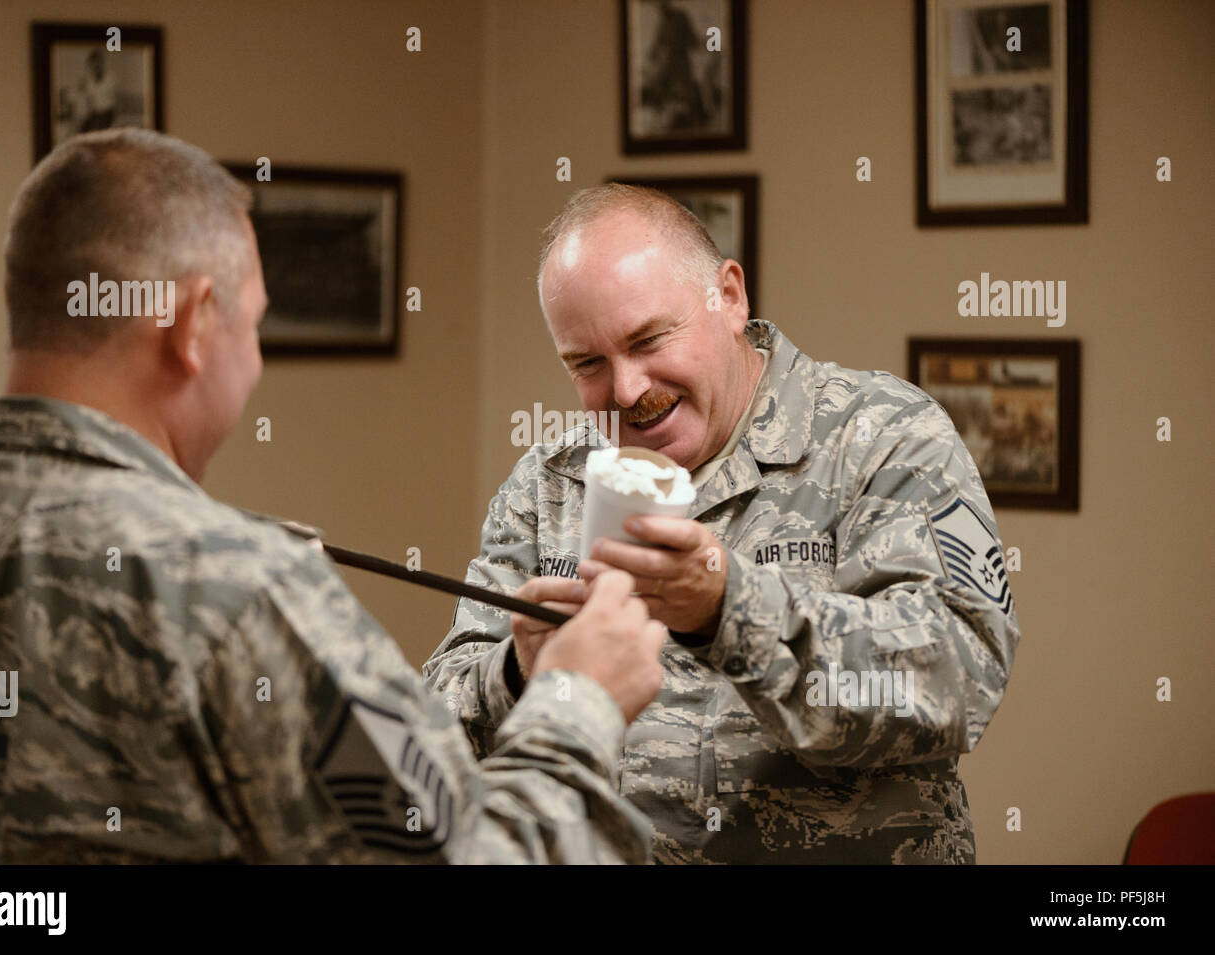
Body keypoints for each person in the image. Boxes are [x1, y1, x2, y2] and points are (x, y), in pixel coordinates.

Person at [0, 131, 667, 865]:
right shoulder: (247, 592)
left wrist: (512, 677)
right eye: (255, 323)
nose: (255, 361)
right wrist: (579, 700)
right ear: (195, 325)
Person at [424, 184, 1022, 864]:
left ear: (729, 297)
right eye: (587, 363)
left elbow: (958, 681)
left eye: (649, 338)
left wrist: (729, 609)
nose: (626, 391)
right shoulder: (548, 483)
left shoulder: (883, 436)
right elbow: (428, 738)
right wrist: (516, 673)